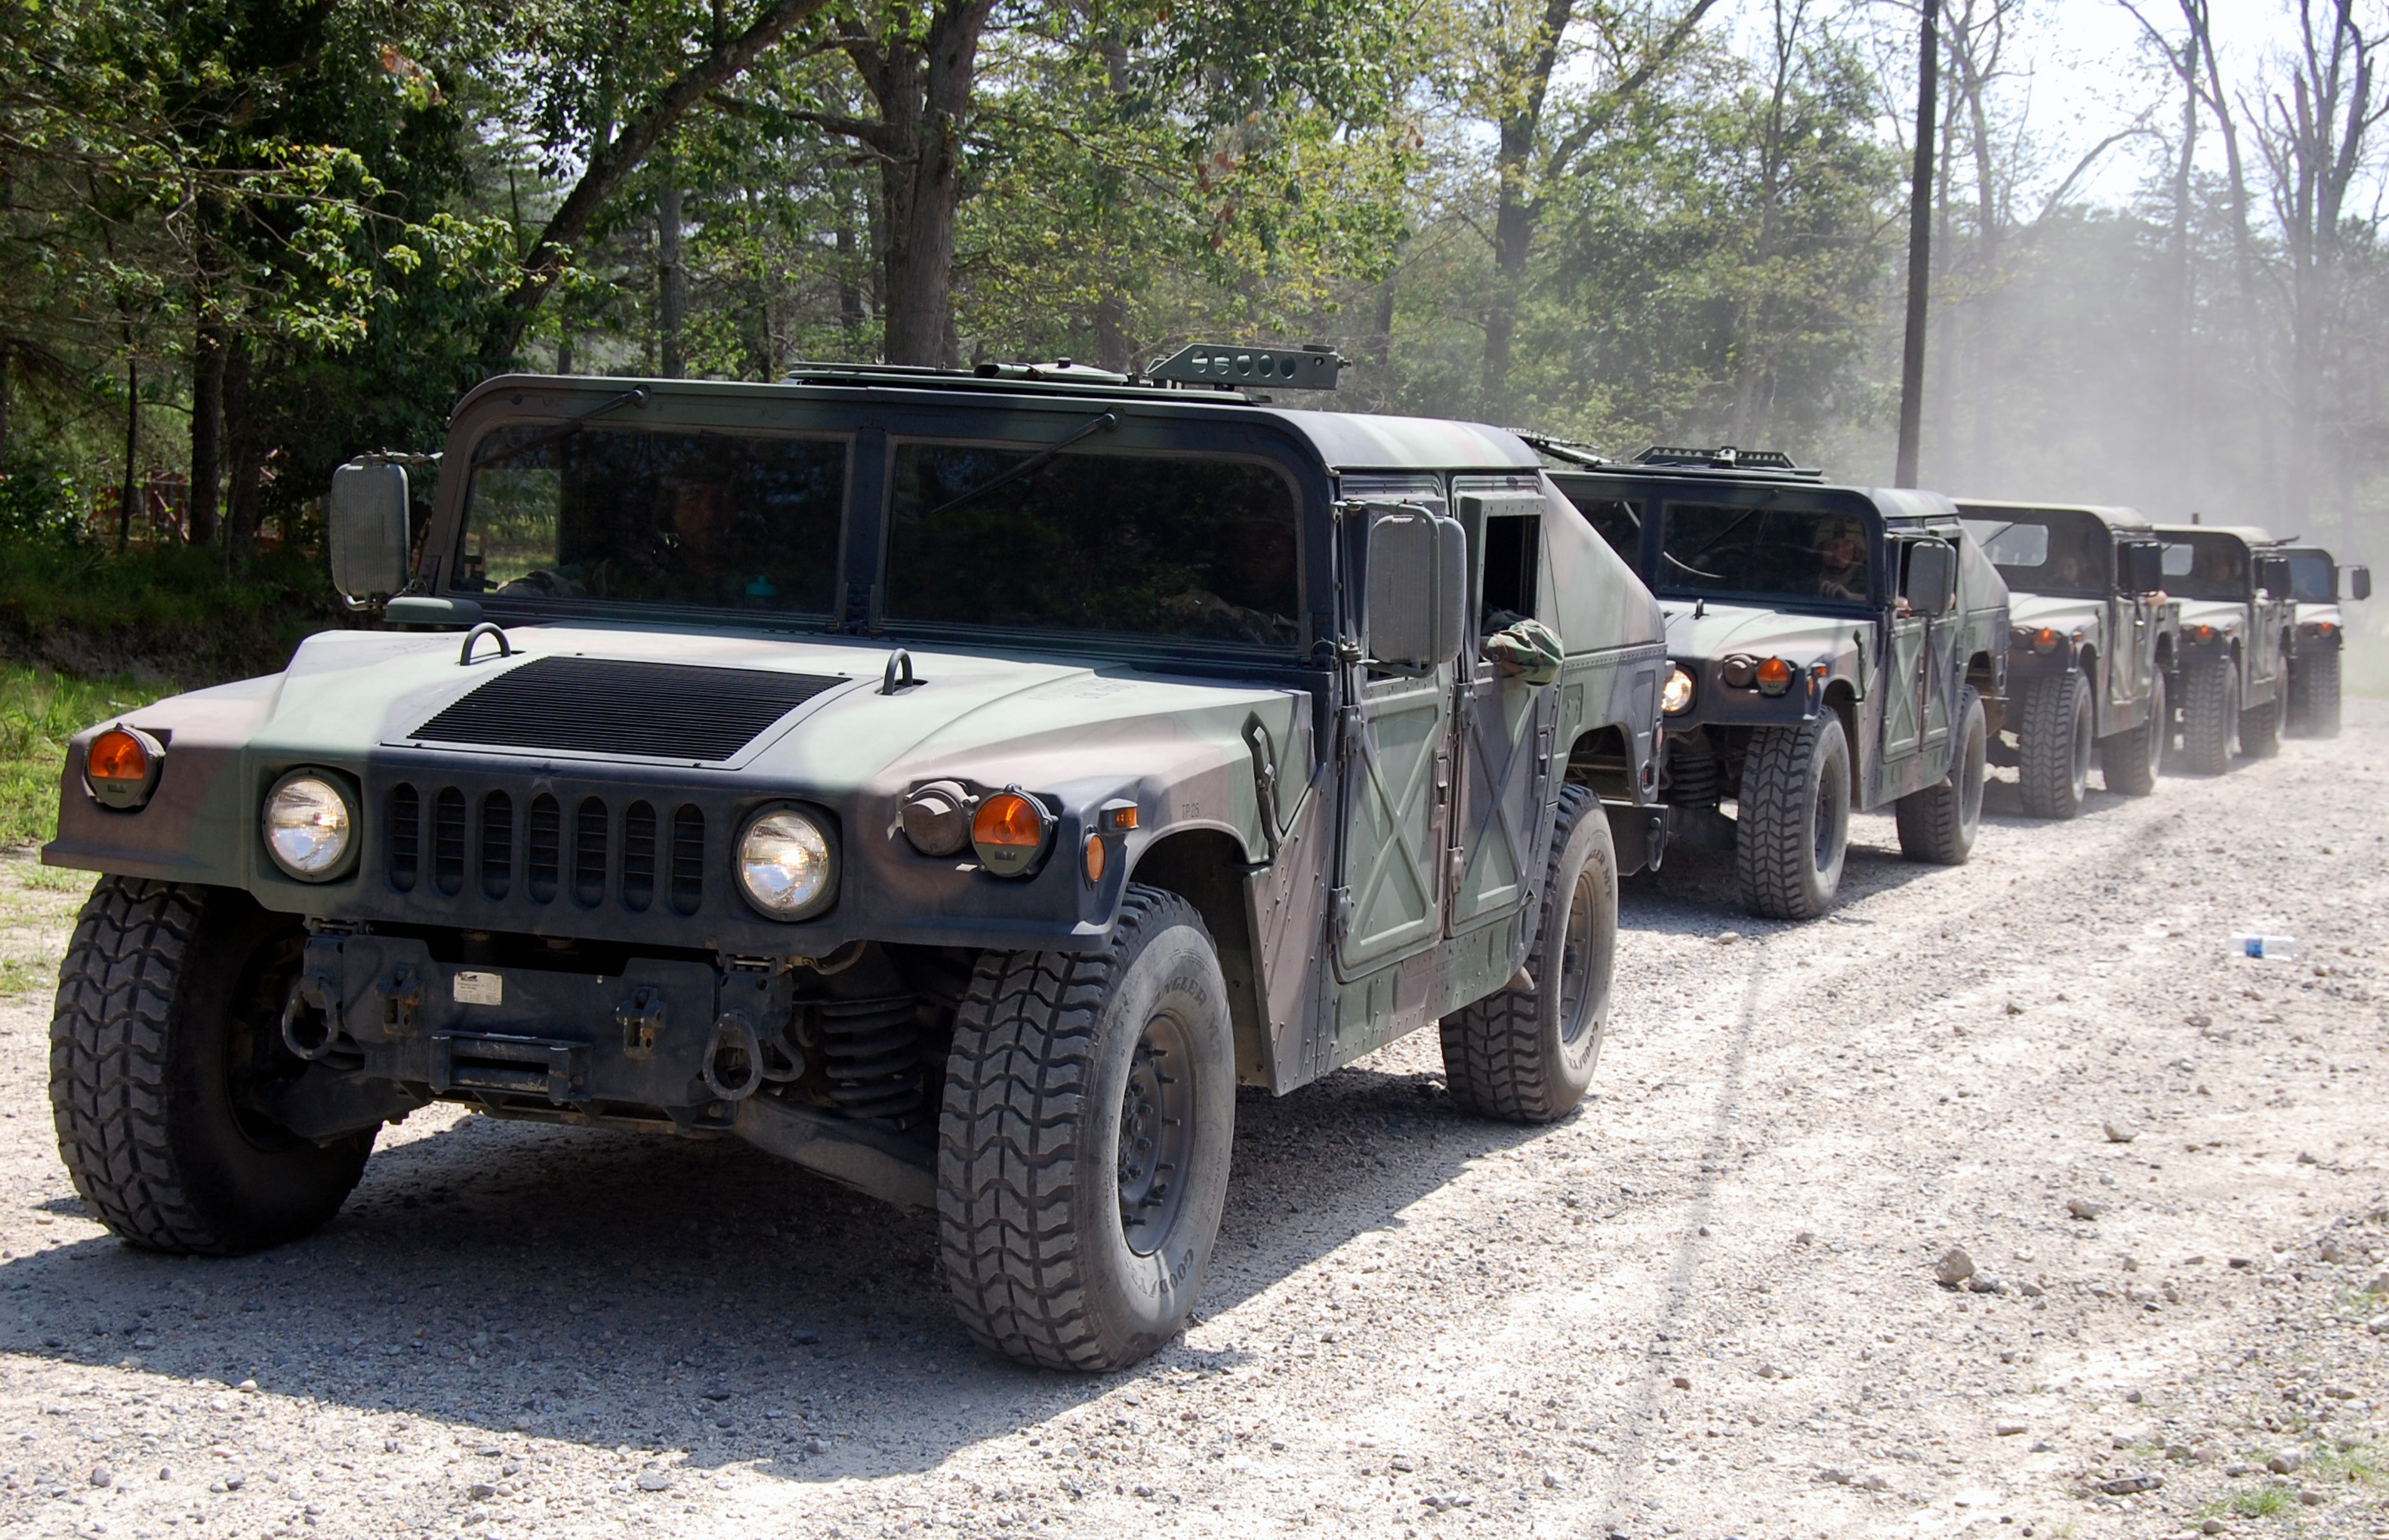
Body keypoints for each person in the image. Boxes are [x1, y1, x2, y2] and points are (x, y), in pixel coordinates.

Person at [1814, 516, 1867, 602]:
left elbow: (1890, 604)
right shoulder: (1803, 585)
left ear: (1857, 552)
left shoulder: (1871, 586)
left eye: (1846, 546)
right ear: (1821, 549)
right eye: (1831, 545)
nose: (1837, 553)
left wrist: (1852, 597)